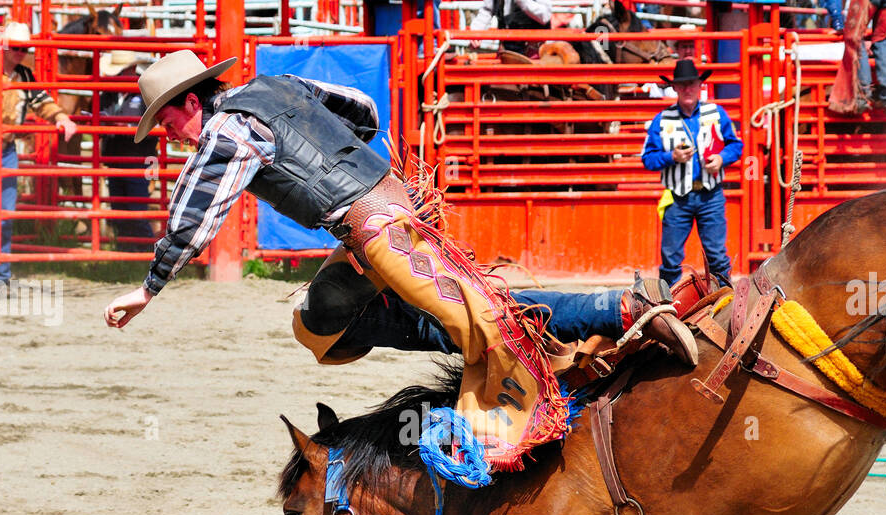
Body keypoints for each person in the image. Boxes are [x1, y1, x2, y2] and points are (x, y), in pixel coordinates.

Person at [101, 53, 686, 481]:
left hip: (376, 231)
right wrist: (344, 158)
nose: (168, 135)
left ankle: (606, 323)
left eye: (167, 122)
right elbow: (361, 110)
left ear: (189, 102)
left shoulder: (226, 130)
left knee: (476, 321)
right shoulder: (276, 85)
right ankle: (615, 310)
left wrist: (148, 289)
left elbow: (194, 215)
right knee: (328, 321)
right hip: (390, 208)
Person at [0, 21, 77, 296]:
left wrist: (61, 117)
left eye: (25, 48)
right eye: (17, 47)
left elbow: (42, 101)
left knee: (4, 217)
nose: (21, 52)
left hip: (6, 150)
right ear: (3, 47)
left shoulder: (24, 75)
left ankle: (0, 277)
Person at [641, 59, 743, 287]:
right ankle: (668, 308)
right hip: (677, 198)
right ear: (675, 88)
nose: (687, 89)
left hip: (711, 196)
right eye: (682, 85)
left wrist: (721, 158)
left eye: (692, 84)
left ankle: (724, 303)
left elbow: (736, 145)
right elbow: (647, 159)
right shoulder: (662, 119)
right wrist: (671, 157)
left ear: (700, 86)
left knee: (717, 257)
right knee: (670, 260)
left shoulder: (716, 113)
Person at [98, 50, 157, 249]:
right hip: (114, 157)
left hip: (136, 158)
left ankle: (146, 253)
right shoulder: (108, 94)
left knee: (137, 210)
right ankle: (126, 253)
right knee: (119, 210)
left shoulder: (146, 92)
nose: (116, 76)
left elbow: (153, 126)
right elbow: (98, 117)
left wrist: (129, 128)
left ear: (131, 69)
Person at [468, 0, 552, 57]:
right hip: (508, 49)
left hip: (533, 50)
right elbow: (488, 9)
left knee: (533, 79)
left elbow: (545, 16)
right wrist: (476, 31)